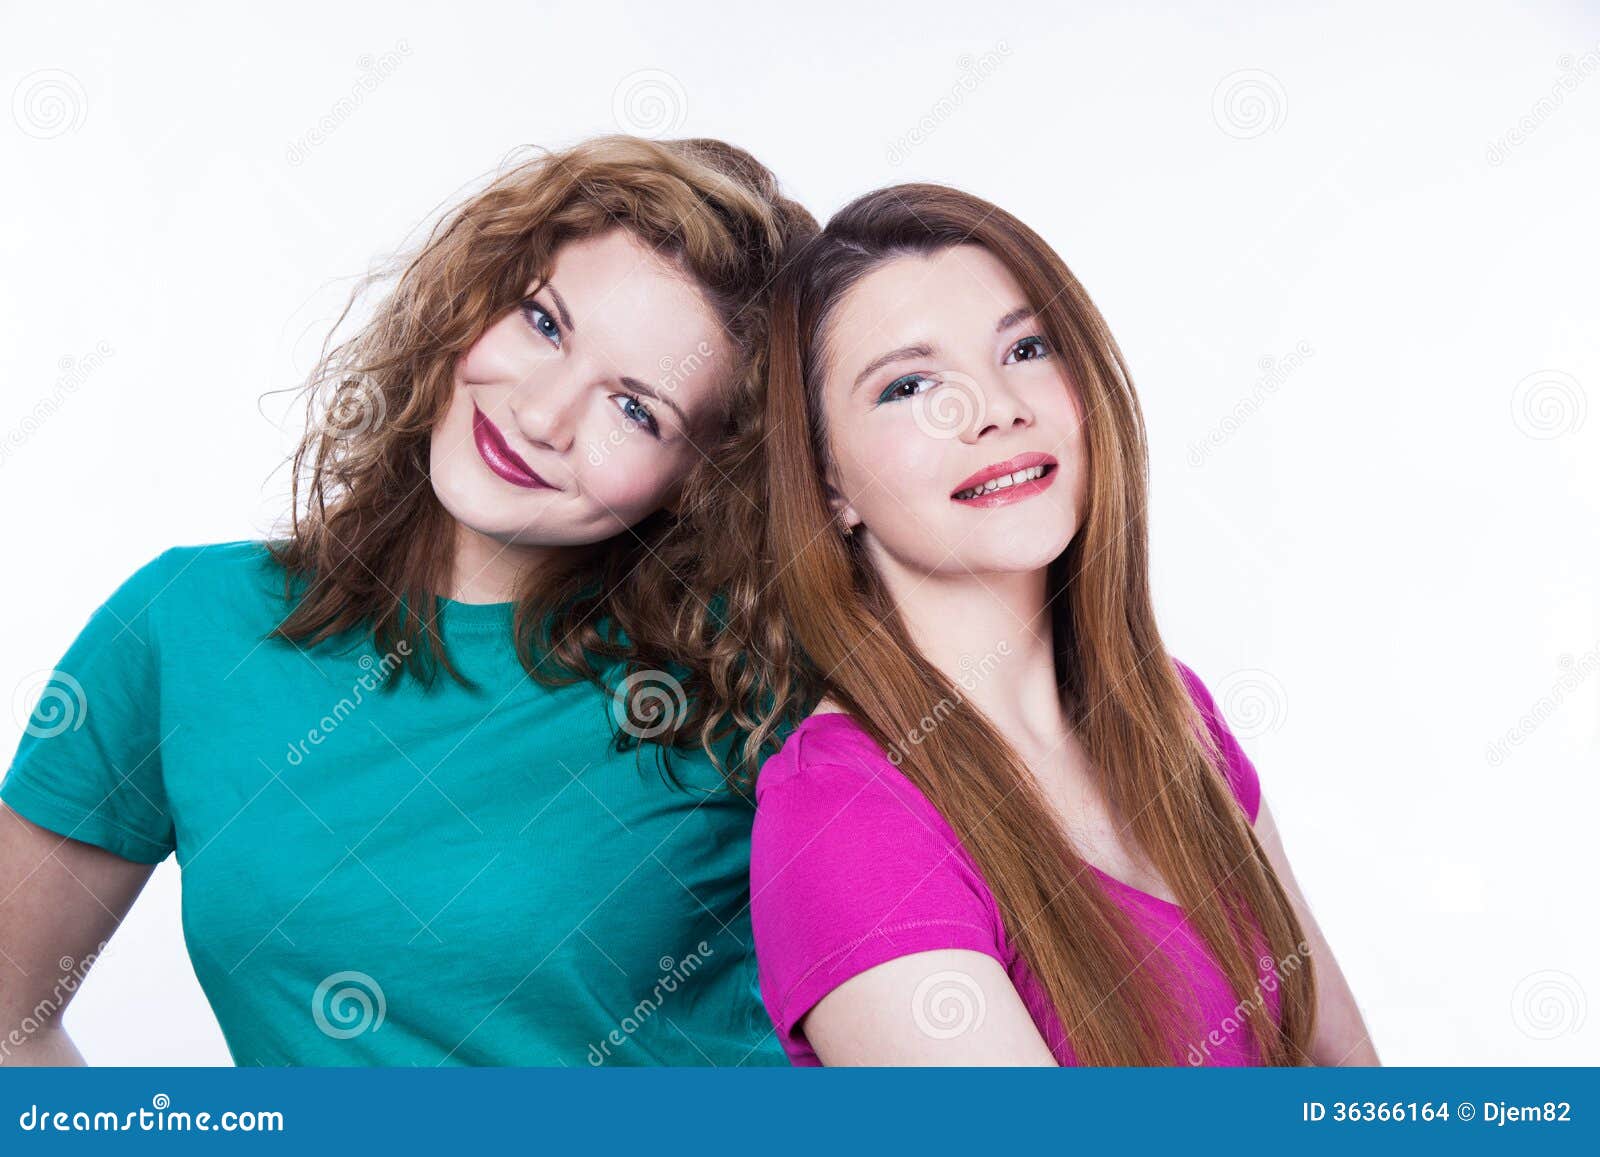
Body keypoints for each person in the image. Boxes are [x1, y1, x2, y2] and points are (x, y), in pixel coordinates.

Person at [0, 135, 816, 1066]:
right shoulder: (187, 624)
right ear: (475, 294)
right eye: (544, 324)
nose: (541, 416)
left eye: (636, 409)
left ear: (703, 478)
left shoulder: (750, 673)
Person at [725, 183, 1378, 1066]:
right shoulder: (843, 817)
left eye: (1026, 347)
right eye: (909, 385)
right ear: (828, 482)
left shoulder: (1174, 713)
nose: (993, 407)